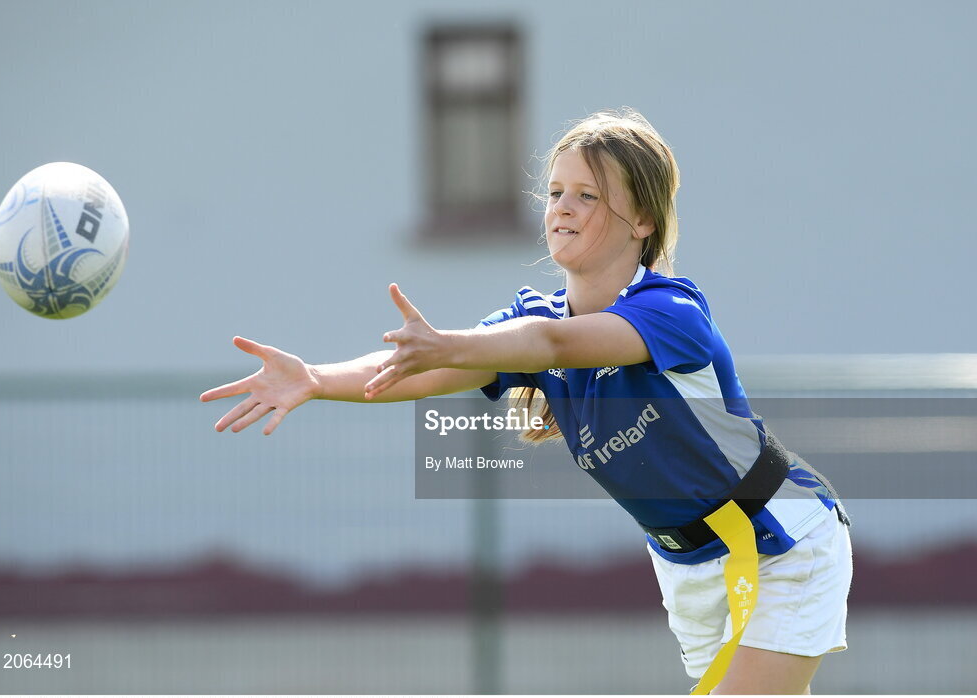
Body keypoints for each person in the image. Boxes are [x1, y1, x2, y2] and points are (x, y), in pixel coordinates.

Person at [200, 109, 852, 695]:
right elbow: (416, 371)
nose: (562, 207)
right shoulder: (527, 321)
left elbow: (550, 343)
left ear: (644, 221)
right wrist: (314, 377)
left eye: (588, 195)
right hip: (686, 568)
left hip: (778, 539)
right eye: (556, 192)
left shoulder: (672, 311)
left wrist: (452, 342)